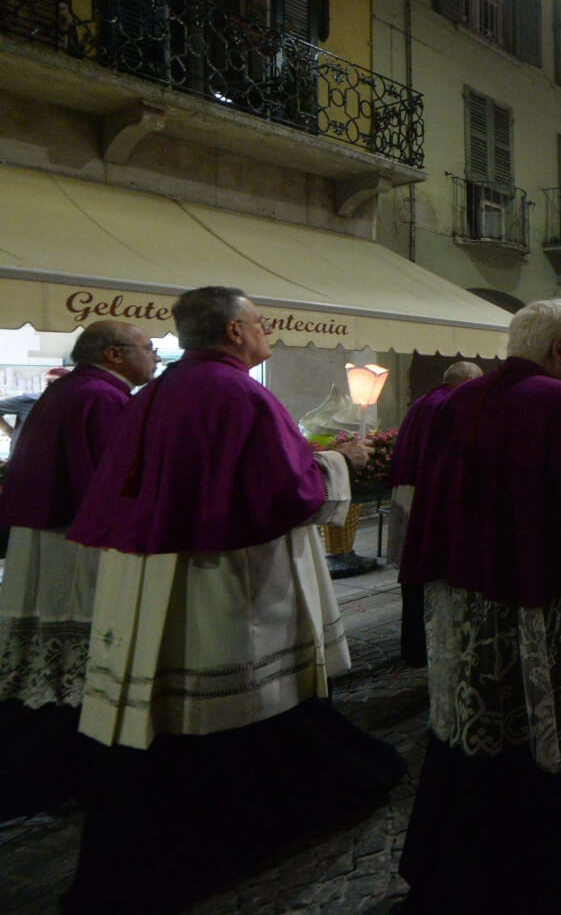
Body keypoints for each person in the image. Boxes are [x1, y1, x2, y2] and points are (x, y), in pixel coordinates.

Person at [62, 287, 402, 914]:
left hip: (157, 571)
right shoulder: (240, 391)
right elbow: (284, 488)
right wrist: (339, 461)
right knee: (239, 703)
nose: (266, 331)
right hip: (225, 576)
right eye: (259, 323)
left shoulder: (157, 392)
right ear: (236, 332)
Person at [397, 298, 561, 913]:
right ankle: (546, 880)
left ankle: (454, 869)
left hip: (468, 604)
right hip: (540, 601)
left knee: (475, 725)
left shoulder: (457, 402)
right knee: (544, 726)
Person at [0, 322, 155, 821]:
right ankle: (80, 772)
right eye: (147, 349)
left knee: (44, 663)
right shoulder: (104, 398)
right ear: (113, 353)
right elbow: (116, 481)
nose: (154, 358)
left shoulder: (69, 389)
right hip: (77, 546)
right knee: (81, 659)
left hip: (40, 538)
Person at [387, 360, 483, 667]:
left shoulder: (422, 402)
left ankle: (412, 645)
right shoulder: (453, 405)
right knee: (435, 569)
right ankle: (437, 644)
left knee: (412, 568)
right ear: (467, 381)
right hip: (433, 497)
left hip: (407, 492)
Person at [0, 367, 69, 443]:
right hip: (26, 452)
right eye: (47, 381)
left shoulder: (72, 406)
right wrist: (10, 432)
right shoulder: (29, 400)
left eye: (55, 382)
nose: (49, 385)